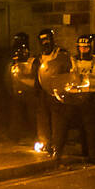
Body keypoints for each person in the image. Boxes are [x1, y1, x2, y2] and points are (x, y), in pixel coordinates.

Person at [62, 34, 95, 164]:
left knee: (92, 129)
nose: (83, 50)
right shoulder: (72, 60)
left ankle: (93, 154)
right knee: (80, 128)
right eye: (80, 47)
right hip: (75, 99)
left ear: (91, 48)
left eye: (86, 48)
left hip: (91, 99)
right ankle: (84, 151)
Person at [35, 28, 72, 161]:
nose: (45, 43)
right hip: (43, 93)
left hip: (57, 93)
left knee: (58, 122)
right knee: (43, 120)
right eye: (42, 40)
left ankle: (58, 147)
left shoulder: (61, 54)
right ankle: (46, 144)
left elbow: (67, 72)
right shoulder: (39, 57)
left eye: (47, 40)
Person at [5, 32, 39, 146]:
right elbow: (7, 78)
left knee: (32, 116)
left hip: (30, 93)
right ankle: (15, 137)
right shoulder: (12, 62)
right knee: (16, 116)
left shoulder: (32, 61)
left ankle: (35, 137)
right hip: (17, 93)